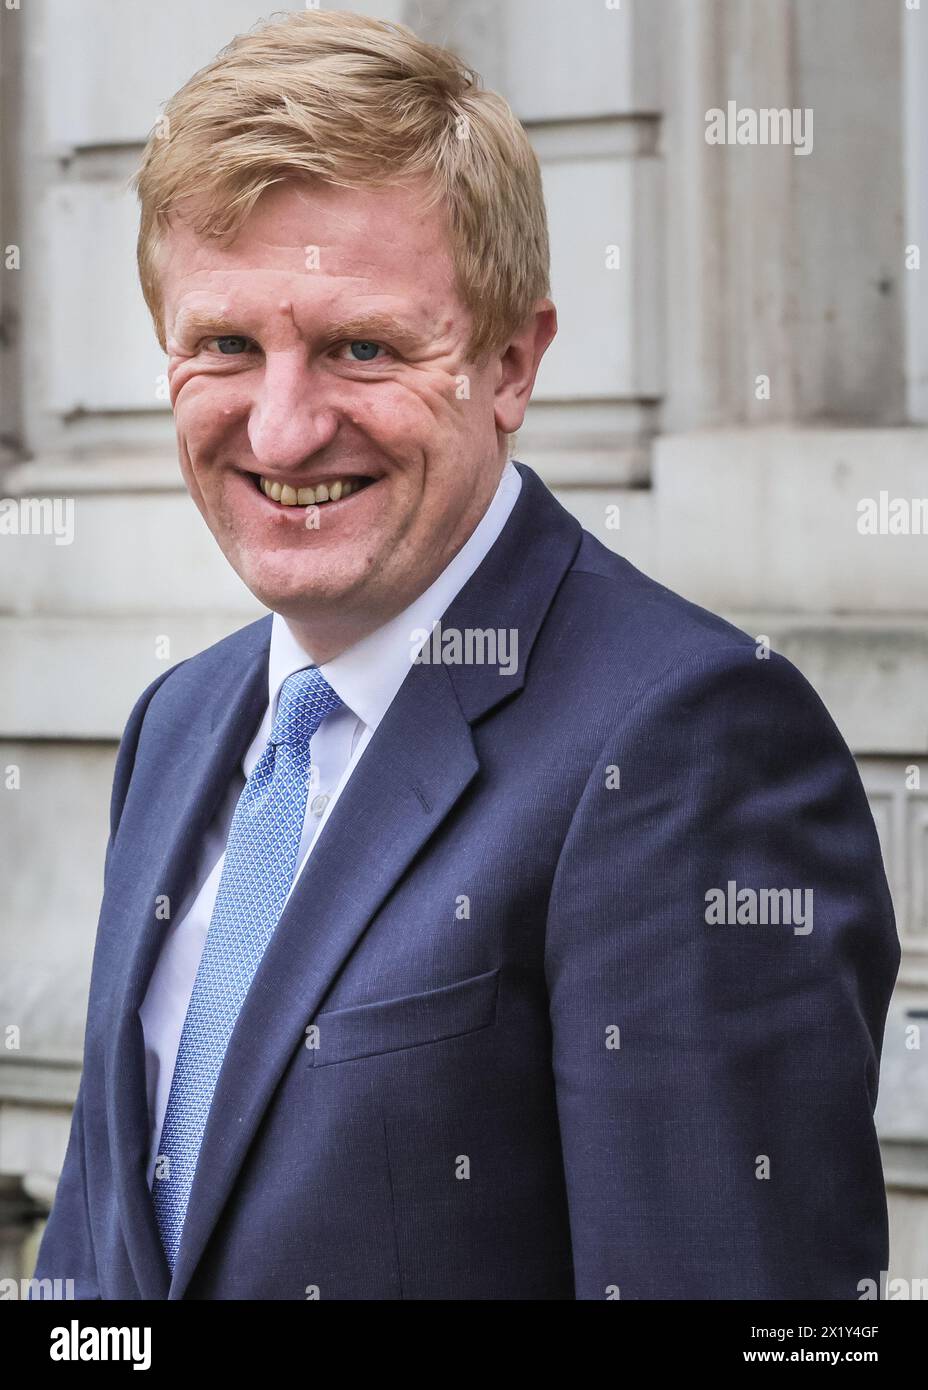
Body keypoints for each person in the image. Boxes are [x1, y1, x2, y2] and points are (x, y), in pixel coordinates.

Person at [33, 9, 899, 1300]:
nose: (283, 424)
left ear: (510, 362)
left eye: (361, 347)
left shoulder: (687, 745)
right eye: (225, 344)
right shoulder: (183, 720)